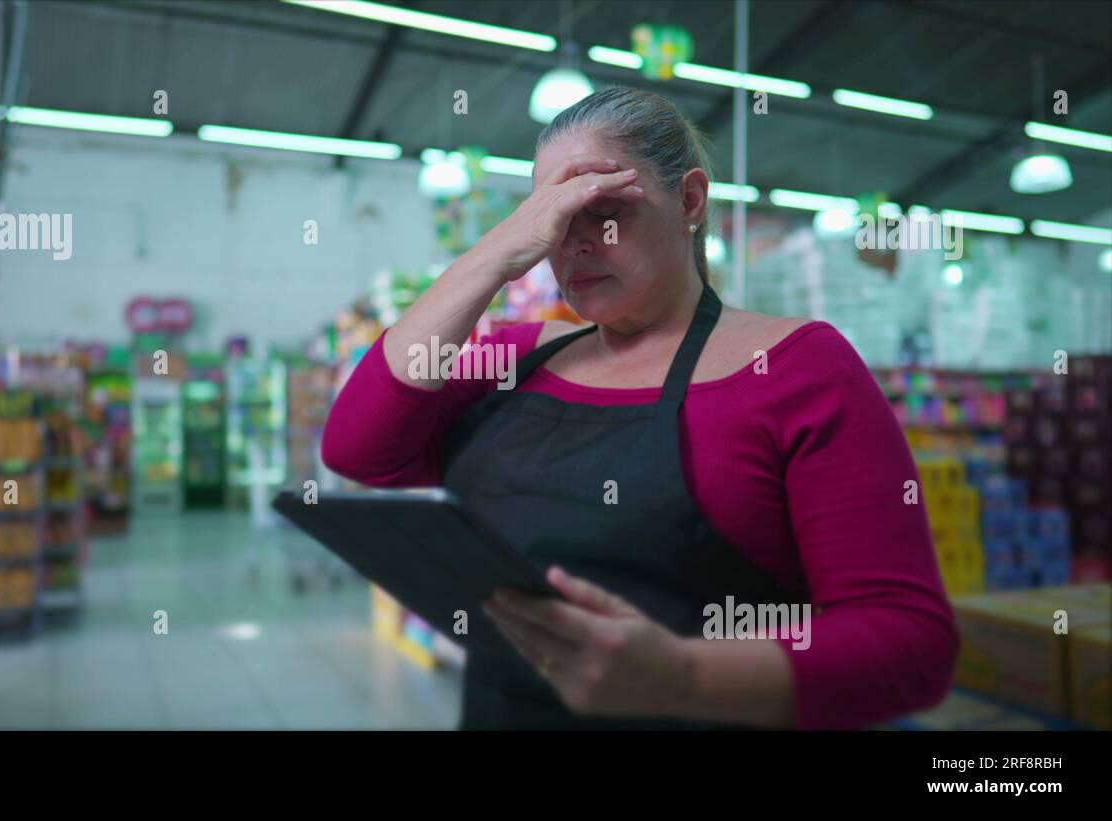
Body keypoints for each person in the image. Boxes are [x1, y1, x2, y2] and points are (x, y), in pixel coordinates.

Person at [322, 86, 958, 730]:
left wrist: (682, 676)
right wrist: (494, 255)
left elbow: (912, 644)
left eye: (600, 209)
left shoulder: (798, 369)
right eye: (549, 218)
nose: (571, 244)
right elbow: (357, 450)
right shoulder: (514, 359)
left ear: (689, 200)